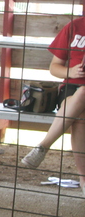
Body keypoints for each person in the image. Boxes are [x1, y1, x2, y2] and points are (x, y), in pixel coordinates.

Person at [21, 16, 85, 195]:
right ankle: (83, 179)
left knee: (80, 113)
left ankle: (43, 147)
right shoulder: (75, 26)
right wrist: (71, 71)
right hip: (72, 87)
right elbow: (54, 67)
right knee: (81, 101)